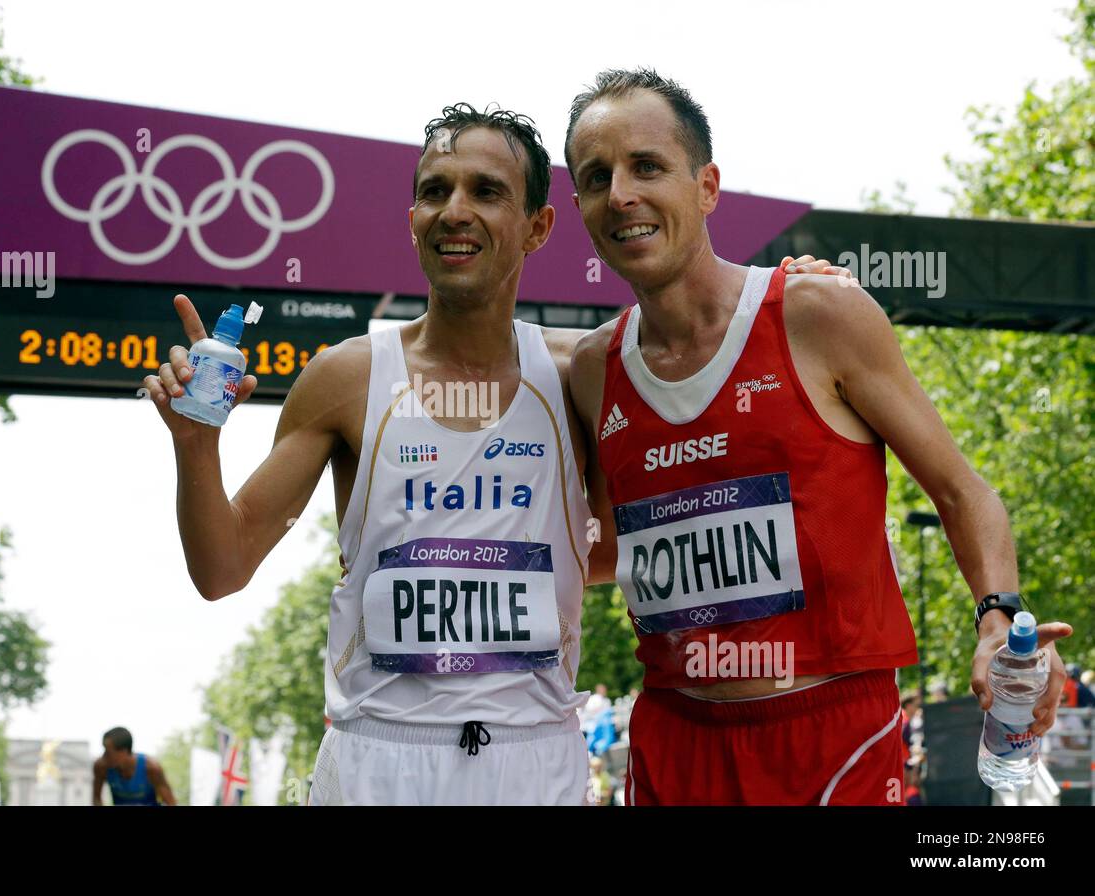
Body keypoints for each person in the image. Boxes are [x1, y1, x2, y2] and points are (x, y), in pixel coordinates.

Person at [143, 103, 837, 806]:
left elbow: (644, 512)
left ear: (538, 227)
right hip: (378, 760)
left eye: (486, 191)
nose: (454, 211)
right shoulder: (345, 378)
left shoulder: (585, 372)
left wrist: (789, 302)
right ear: (411, 217)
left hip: (535, 761)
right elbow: (221, 569)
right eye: (434, 190)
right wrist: (197, 446)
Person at [563, 68, 1074, 805]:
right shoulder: (590, 370)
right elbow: (608, 548)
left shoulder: (817, 312)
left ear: (707, 186)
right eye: (594, 177)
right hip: (673, 741)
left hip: (831, 738)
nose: (621, 193)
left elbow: (965, 493)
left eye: (647, 166)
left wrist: (998, 616)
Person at [92, 727, 176, 806]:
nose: (104, 756)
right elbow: (96, 798)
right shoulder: (101, 767)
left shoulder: (151, 768)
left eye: (108, 752)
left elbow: (170, 802)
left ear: (124, 751)